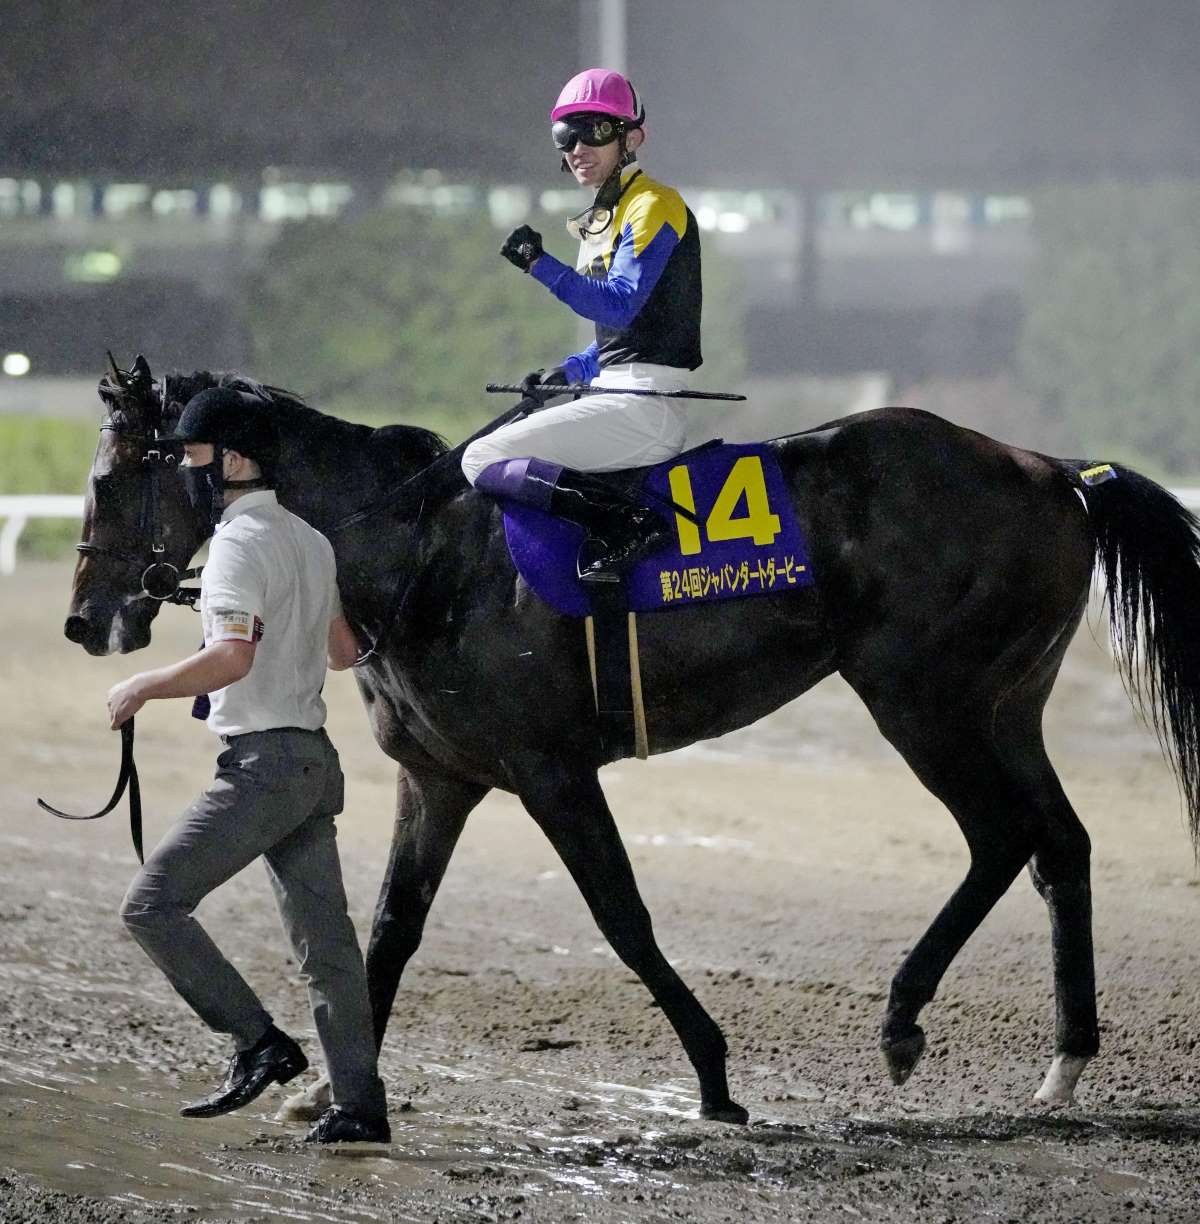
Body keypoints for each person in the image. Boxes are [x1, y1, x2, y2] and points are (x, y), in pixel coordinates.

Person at [107, 386, 389, 1144]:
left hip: (263, 767)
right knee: (329, 953)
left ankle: (257, 1043)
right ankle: (360, 1108)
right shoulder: (310, 539)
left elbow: (231, 658)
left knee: (152, 906)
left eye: (196, 457)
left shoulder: (236, 544)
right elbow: (343, 652)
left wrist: (145, 684)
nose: (188, 471)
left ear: (232, 459)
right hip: (312, 766)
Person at [462, 67, 703, 582]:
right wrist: (570, 372)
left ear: (631, 138)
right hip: (616, 394)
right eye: (565, 135)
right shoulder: (603, 217)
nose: (577, 147)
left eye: (594, 130)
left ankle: (632, 525)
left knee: (481, 458)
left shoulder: (655, 204)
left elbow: (617, 306)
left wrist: (540, 266)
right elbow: (624, 337)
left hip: (645, 407)